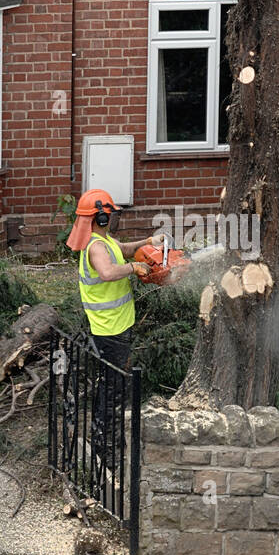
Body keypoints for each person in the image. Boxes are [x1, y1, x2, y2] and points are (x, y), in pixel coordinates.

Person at [66, 188, 164, 462]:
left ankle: (108, 440)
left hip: (117, 327)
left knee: (116, 386)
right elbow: (108, 272)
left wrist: (148, 241)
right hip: (109, 331)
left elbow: (125, 250)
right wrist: (134, 269)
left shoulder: (104, 239)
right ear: (101, 217)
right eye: (109, 215)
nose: (113, 219)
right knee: (113, 390)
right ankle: (105, 449)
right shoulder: (95, 247)